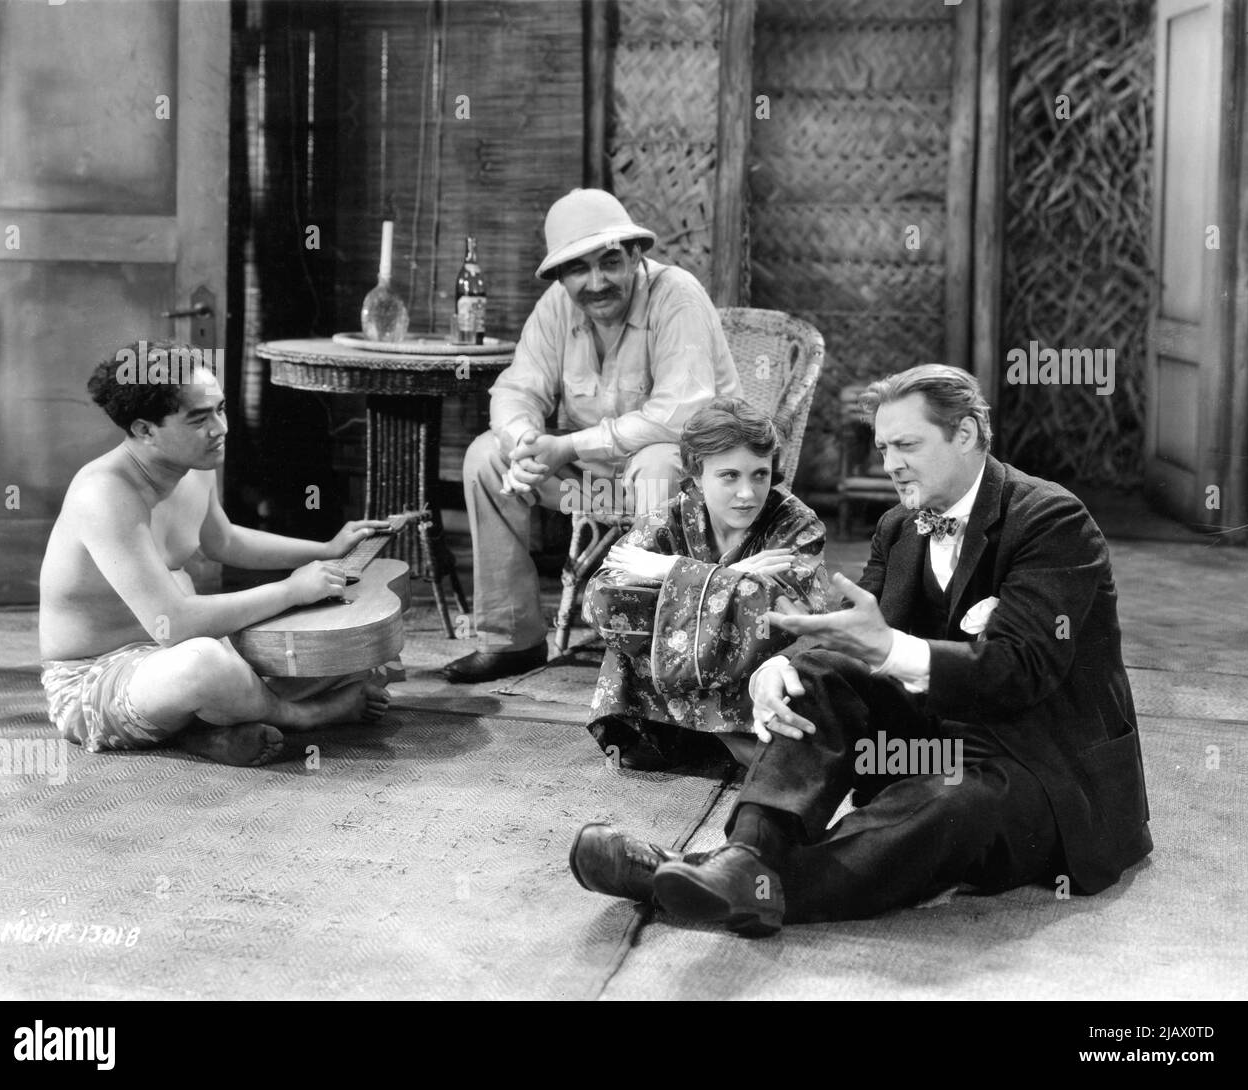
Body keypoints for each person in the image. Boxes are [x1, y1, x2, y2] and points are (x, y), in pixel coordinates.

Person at [569, 364, 1152, 936]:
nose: (891, 464)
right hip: (931, 740)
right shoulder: (898, 526)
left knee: (952, 802)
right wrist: (779, 666)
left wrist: (890, 648)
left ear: (967, 433)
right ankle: (748, 855)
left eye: (907, 444)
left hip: (1037, 762)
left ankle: (686, 878)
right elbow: (843, 636)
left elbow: (1019, 672)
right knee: (818, 676)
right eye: (883, 447)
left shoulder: (1051, 519)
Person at [38, 340, 393, 768]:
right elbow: (177, 625)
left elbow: (223, 541)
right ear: (144, 430)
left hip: (181, 652)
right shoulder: (103, 494)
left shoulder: (192, 466)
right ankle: (301, 716)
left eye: (221, 409)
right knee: (204, 665)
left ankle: (208, 728)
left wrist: (327, 549)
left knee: (355, 653)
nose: (220, 428)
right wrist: (291, 590)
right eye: (200, 418)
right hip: (98, 680)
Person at [447, 188, 743, 683]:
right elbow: (516, 390)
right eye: (578, 270)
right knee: (485, 456)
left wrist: (567, 446)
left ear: (635, 256)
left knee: (659, 461)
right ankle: (512, 640)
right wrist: (523, 444)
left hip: (687, 487)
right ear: (561, 277)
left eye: (609, 262)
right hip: (598, 487)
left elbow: (680, 416)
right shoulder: (555, 308)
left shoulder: (677, 295)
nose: (597, 281)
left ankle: (660, 648)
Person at [582, 399, 834, 771]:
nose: (748, 493)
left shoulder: (796, 524)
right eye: (729, 475)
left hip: (751, 682)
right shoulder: (669, 517)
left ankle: (714, 735)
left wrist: (669, 572)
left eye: (760, 475)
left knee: (775, 634)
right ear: (697, 475)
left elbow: (784, 617)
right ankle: (715, 735)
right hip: (666, 696)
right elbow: (600, 603)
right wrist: (737, 579)